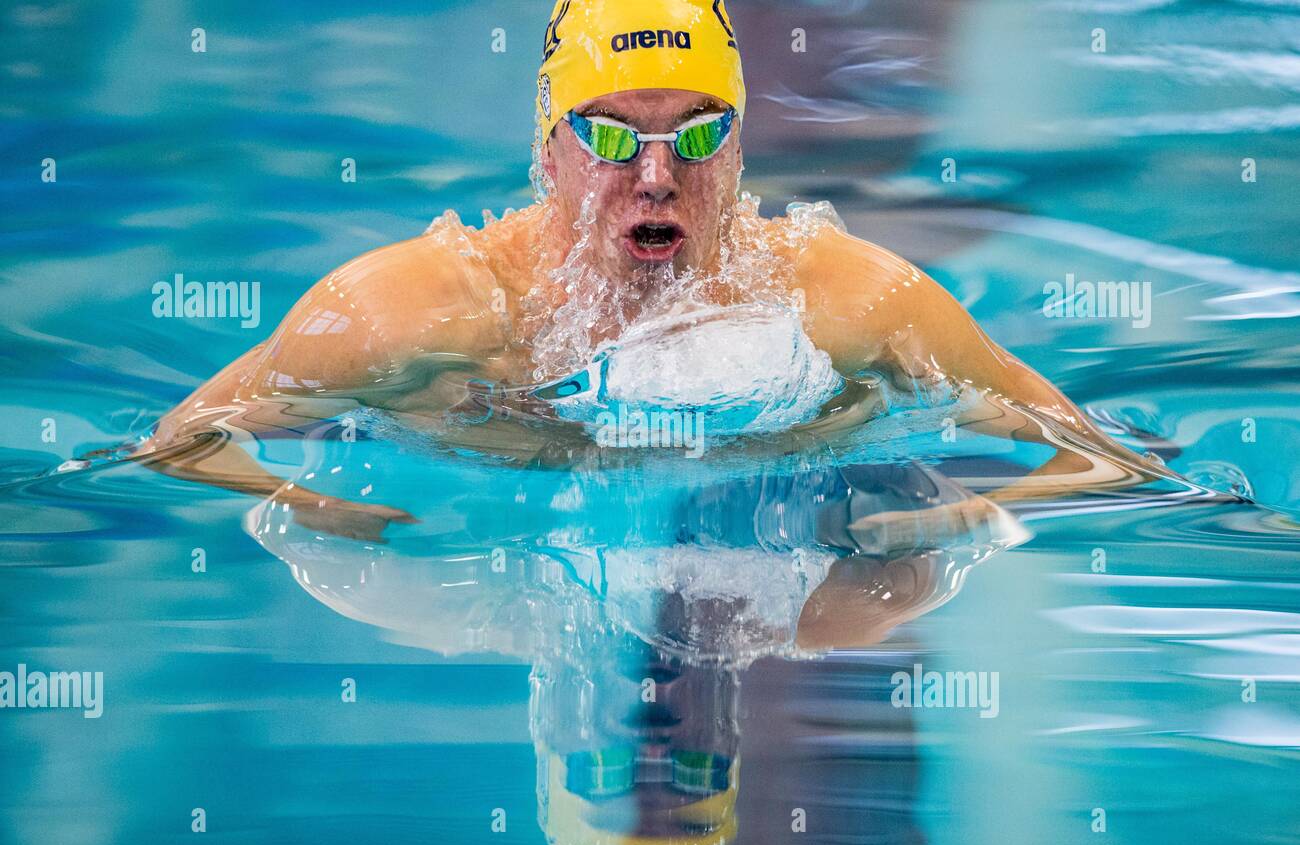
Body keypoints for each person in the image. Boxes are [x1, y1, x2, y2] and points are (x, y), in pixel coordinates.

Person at [138, 0, 1187, 543]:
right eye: (609, 137)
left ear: (738, 153)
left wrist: (972, 514)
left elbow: (1106, 459)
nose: (653, 176)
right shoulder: (410, 311)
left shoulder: (848, 299)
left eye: (696, 137)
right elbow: (180, 445)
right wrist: (301, 504)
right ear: (546, 151)